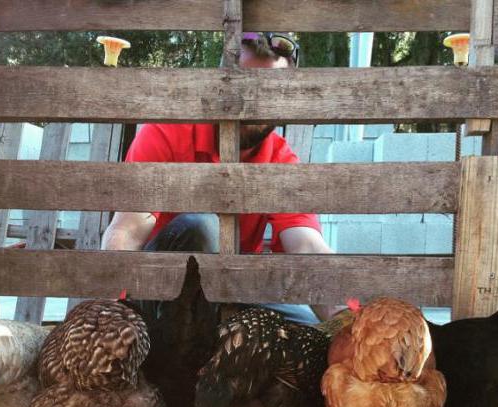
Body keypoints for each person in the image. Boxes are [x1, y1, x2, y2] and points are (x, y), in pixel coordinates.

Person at [101, 32, 338, 323]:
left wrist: (348, 322)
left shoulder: (281, 159)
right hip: (159, 298)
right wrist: (110, 314)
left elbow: (306, 245)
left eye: (269, 93)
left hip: (233, 295)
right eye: (242, 87)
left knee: (315, 331)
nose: (252, 104)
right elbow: (128, 228)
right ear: (218, 86)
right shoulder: (168, 129)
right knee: (201, 227)